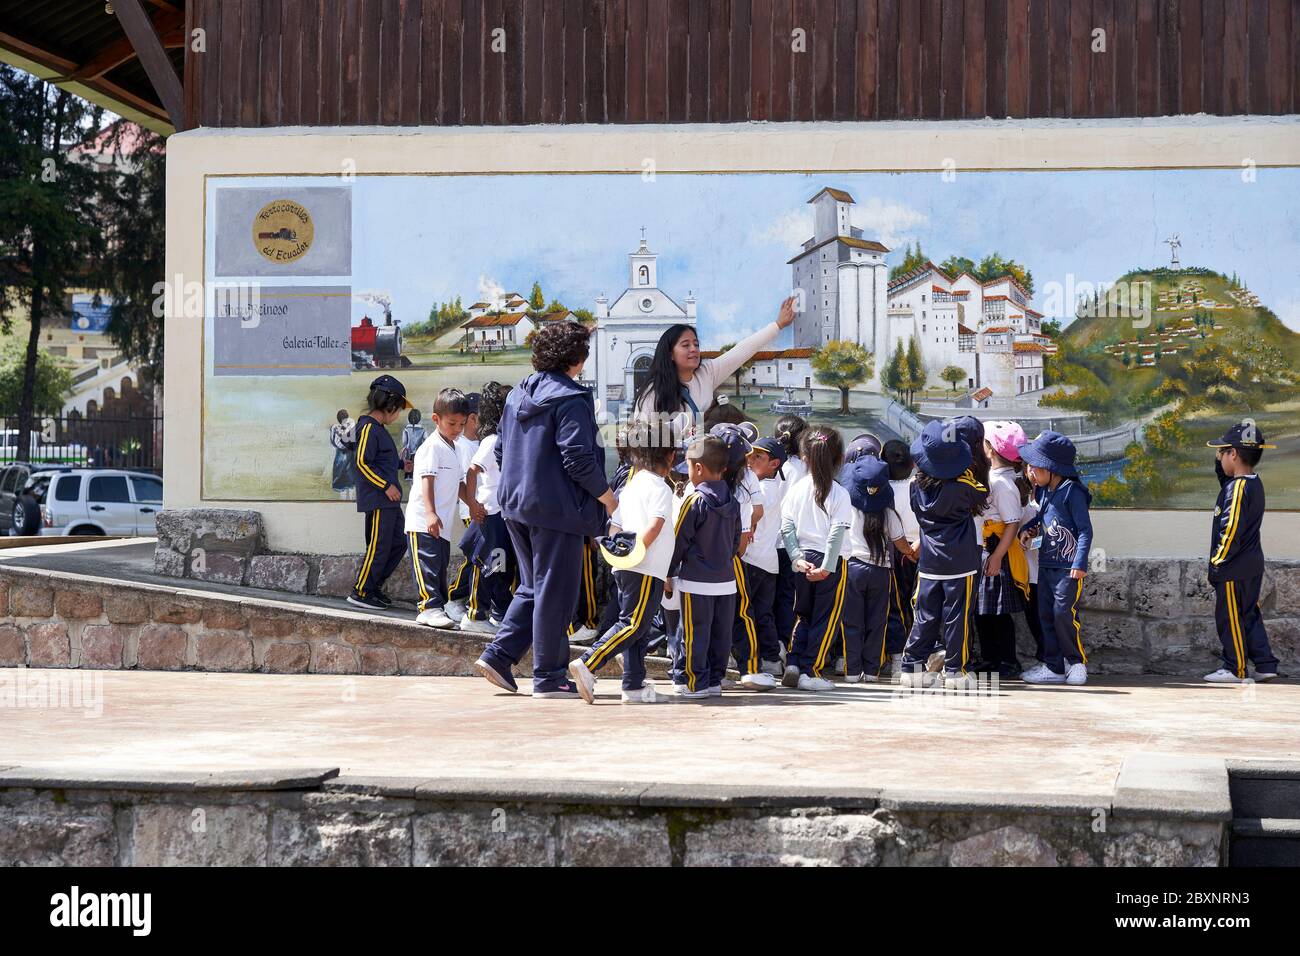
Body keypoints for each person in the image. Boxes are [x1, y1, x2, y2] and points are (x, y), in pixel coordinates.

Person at [474, 321, 617, 698]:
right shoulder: (571, 397)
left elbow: (501, 449)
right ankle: (550, 676)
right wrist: (607, 497)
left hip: (515, 505)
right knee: (555, 592)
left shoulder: (518, 393)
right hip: (556, 510)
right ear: (579, 358)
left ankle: (499, 655)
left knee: (534, 586)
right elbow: (577, 458)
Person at [568, 419, 678, 705]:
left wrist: (621, 552)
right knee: (633, 624)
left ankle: (633, 684)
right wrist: (640, 550)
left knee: (637, 628)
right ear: (669, 456)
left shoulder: (631, 486)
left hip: (628, 567)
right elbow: (655, 525)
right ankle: (589, 663)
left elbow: (614, 526)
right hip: (645, 567)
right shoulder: (660, 487)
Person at [898, 420, 988, 689]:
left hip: (929, 563)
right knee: (957, 617)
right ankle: (955, 671)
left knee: (925, 616)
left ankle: (911, 667)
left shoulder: (915, 486)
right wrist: (965, 472)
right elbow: (983, 493)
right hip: (960, 562)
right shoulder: (964, 487)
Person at [633, 297, 798, 438]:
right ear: (670, 354)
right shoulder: (653, 393)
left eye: (696, 344)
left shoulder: (706, 373)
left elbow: (741, 351)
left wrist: (778, 325)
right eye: (685, 345)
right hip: (668, 468)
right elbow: (640, 437)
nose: (693, 349)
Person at [1203, 423, 1279, 683]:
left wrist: (1217, 561)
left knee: (1230, 617)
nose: (1220, 458)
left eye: (1222, 453)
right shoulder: (1250, 484)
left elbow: (1231, 528)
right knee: (1248, 615)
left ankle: (1234, 668)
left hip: (1233, 567)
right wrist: (1219, 463)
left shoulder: (1237, 490)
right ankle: (1265, 663)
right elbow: (1227, 482)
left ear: (1233, 454)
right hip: (1250, 565)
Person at [1017, 431, 1093, 686]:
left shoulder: (1073, 492)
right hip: (1046, 565)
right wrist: (1027, 530)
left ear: (1052, 468)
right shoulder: (1046, 491)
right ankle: (1053, 666)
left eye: (1035, 467)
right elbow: (1043, 519)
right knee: (1046, 615)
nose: (1030, 471)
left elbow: (1085, 530)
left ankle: (1076, 661)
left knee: (1063, 613)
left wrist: (1080, 563)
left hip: (1068, 568)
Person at [779, 426, 852, 692]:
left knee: (804, 615)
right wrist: (827, 568)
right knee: (827, 619)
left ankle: (794, 663)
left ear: (804, 457)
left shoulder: (797, 489)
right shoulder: (839, 493)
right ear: (839, 458)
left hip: (802, 561)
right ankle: (812, 670)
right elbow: (835, 534)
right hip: (828, 564)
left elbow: (786, 527)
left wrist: (796, 558)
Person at [669, 435, 742, 700]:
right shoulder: (733, 502)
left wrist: (668, 571)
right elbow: (736, 541)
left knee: (694, 632)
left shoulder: (694, 501)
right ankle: (713, 680)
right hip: (725, 580)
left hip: (695, 580)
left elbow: (680, 541)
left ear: (698, 468)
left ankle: (693, 682)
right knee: (720, 634)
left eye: (688, 466)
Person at [839, 455, 913, 683]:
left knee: (852, 622)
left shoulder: (848, 509)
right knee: (877, 623)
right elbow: (900, 544)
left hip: (853, 569)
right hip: (881, 572)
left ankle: (852, 672)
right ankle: (871, 672)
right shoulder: (889, 514)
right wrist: (911, 552)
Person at [405, 388, 472, 627]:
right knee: (427, 565)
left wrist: (473, 505)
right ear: (436, 419)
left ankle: (439, 607)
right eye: (452, 423)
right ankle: (428, 607)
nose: (458, 429)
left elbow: (460, 483)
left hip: (440, 525)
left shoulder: (452, 448)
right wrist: (431, 513)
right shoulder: (432, 446)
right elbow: (427, 480)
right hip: (423, 521)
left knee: (439, 565)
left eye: (462, 424)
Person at [348, 375, 413, 610]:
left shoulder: (378, 429)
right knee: (378, 546)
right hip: (379, 500)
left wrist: (401, 465)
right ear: (390, 406)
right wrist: (386, 486)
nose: (398, 415)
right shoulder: (367, 427)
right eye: (399, 410)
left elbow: (381, 459)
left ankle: (374, 585)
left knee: (398, 541)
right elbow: (362, 462)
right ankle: (361, 590)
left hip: (388, 503)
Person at [972, 421, 1031, 679]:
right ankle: (990, 657)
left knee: (998, 610)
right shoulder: (998, 478)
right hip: (988, 546)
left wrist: (997, 556)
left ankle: (1007, 660)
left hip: (998, 548)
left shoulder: (1003, 484)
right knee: (983, 608)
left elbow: (1011, 523)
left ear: (990, 449)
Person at [457, 382, 513, 634]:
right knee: (486, 563)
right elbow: (472, 471)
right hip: (489, 513)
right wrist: (473, 504)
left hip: (504, 514)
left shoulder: (507, 437)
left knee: (501, 566)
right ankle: (474, 613)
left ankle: (500, 612)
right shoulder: (491, 441)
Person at [732, 437, 787, 688]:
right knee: (761, 613)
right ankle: (772, 659)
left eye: (759, 457)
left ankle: (754, 658)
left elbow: (751, 513)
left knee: (747, 613)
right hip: (767, 560)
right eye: (751, 455)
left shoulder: (763, 488)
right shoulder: (771, 485)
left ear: (774, 463)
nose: (751, 460)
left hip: (753, 558)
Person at [772, 413, 809, 654]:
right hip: (792, 542)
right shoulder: (804, 468)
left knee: (769, 597)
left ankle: (770, 646)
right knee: (788, 596)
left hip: (767, 542)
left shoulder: (768, 463)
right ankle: (784, 643)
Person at [882, 439, 919, 677]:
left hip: (893, 552)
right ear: (914, 463)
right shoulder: (919, 486)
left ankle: (897, 658)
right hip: (919, 550)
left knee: (894, 607)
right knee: (916, 606)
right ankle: (915, 657)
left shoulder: (882, 489)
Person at [330, 409, 357, 500]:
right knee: (348, 478)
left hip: (343, 454)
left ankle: (346, 501)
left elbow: (333, 442)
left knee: (345, 478)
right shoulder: (340, 427)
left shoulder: (347, 425)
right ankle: (348, 501)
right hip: (346, 453)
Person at [399, 409, 428, 484]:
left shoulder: (406, 429)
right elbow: (426, 441)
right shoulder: (423, 430)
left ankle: (409, 476)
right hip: (418, 453)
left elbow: (404, 442)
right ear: (419, 419)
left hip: (408, 452)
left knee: (409, 469)